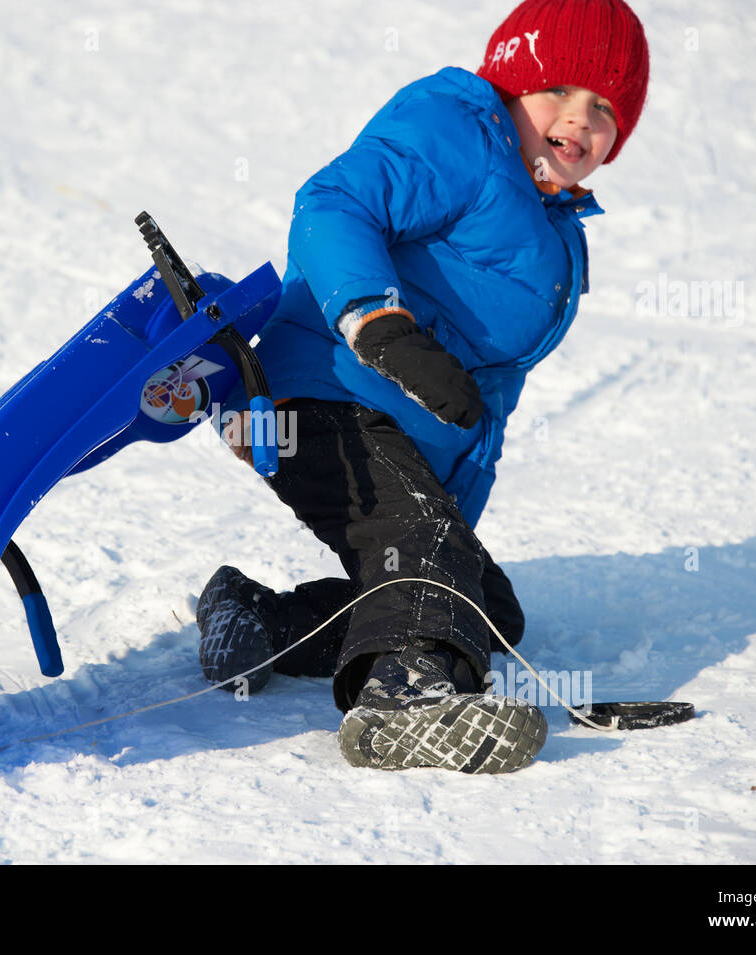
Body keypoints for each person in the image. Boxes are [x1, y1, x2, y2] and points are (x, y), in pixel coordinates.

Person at [198, 0, 649, 773]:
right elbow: (332, 203)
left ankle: (256, 620)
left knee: (483, 608)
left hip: (387, 428)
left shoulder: (552, 229)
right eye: (558, 92)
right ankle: (404, 694)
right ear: (510, 85)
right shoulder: (460, 130)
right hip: (315, 395)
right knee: (428, 563)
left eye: (605, 107)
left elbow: (482, 393)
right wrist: (377, 322)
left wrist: (448, 517)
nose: (579, 119)